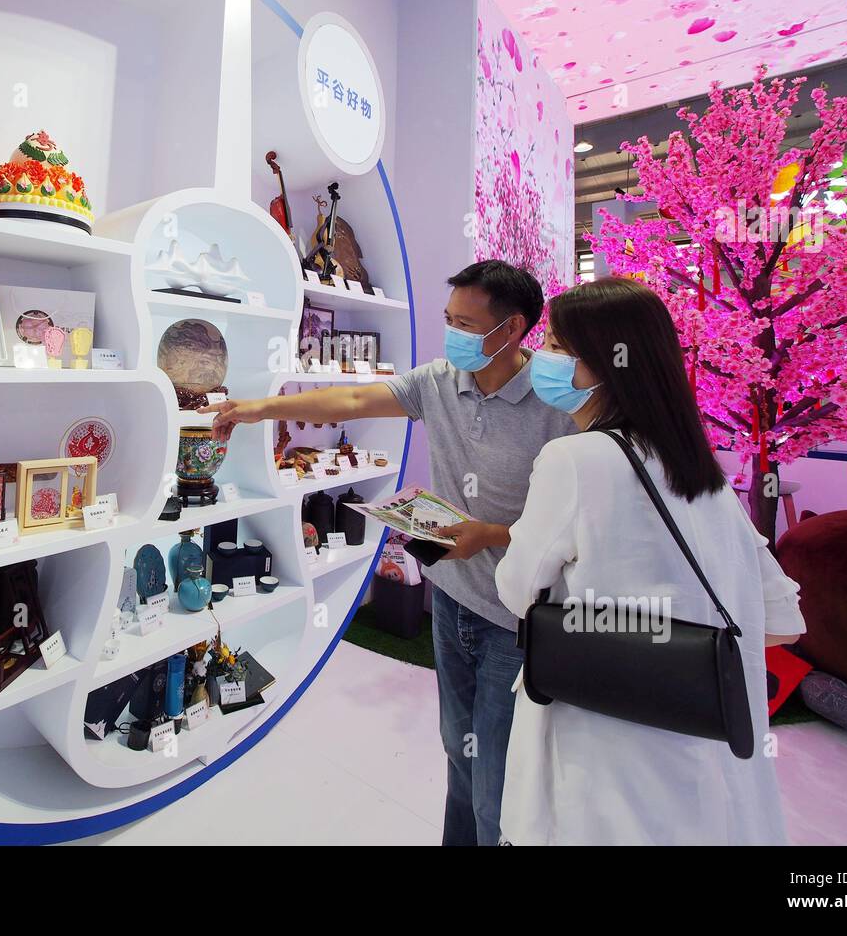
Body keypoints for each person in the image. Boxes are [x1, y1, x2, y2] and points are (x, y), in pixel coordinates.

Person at [201, 260, 576, 846]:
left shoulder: (556, 406)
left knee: (496, 777)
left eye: (465, 324)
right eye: (447, 319)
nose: (451, 335)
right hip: (452, 600)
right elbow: (351, 399)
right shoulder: (438, 381)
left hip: (518, 617)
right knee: (460, 751)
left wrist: (494, 535)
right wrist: (258, 409)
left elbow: (573, 524)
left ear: (512, 329)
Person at [494, 278, 806, 845]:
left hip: (604, 746)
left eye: (560, 348)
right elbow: (780, 618)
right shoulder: (698, 467)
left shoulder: (576, 459)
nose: (545, 359)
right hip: (706, 758)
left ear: (606, 363)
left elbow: (519, 592)